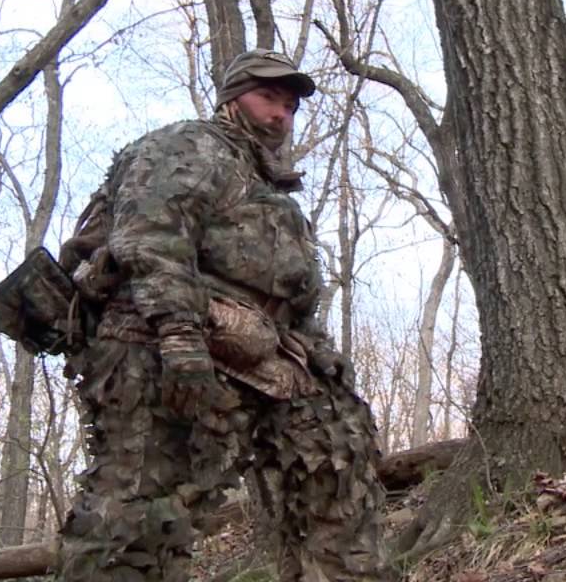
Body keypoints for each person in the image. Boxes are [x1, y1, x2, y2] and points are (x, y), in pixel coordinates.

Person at [54, 49, 389, 581]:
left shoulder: (264, 181)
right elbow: (149, 238)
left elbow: (287, 290)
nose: (280, 115)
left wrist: (319, 355)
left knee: (337, 455)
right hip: (158, 340)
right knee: (139, 511)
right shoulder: (189, 145)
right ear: (233, 98)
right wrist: (179, 337)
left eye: (289, 106)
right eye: (268, 98)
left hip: (261, 350)